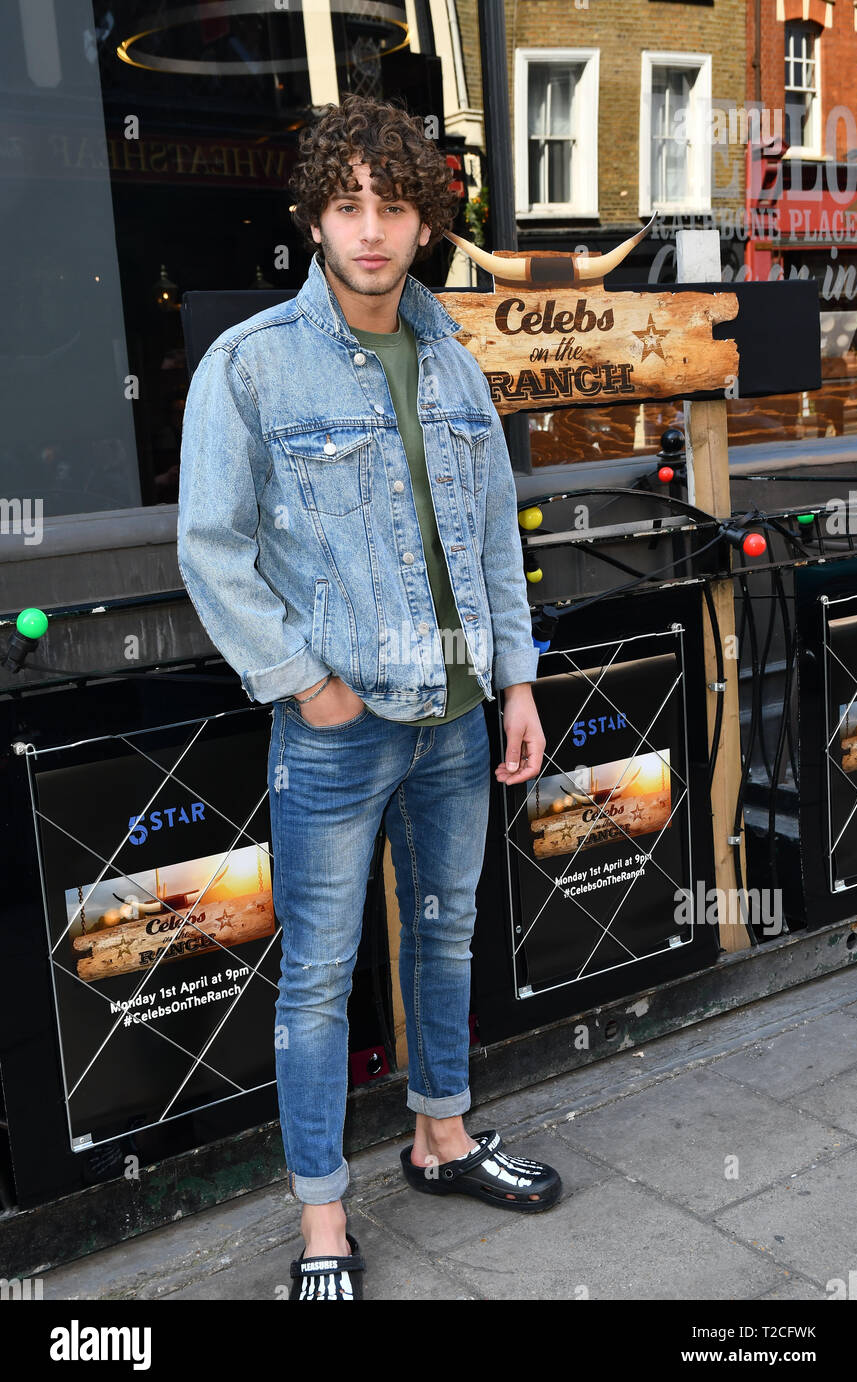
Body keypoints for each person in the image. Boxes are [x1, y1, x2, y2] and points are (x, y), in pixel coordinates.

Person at [177, 93, 562, 1301]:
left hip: (456, 715)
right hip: (338, 730)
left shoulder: (451, 354)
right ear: (313, 217)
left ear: (423, 223)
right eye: (347, 206)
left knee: (444, 933)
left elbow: (494, 533)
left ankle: (440, 1137)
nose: (370, 231)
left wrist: (513, 679)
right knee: (319, 974)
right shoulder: (249, 366)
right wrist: (309, 686)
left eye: (392, 206)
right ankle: (323, 1225)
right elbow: (210, 548)